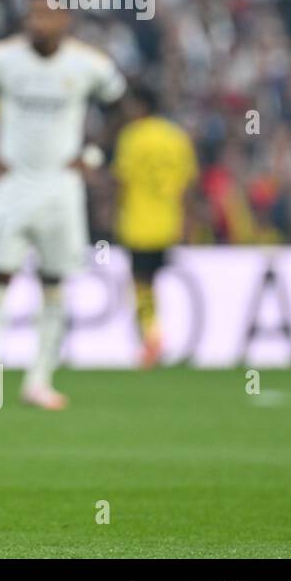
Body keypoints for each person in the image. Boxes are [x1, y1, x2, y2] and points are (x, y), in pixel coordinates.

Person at [0, 0, 125, 409]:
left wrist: (93, 155)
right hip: (13, 187)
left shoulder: (88, 64)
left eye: (46, 15)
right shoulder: (3, 58)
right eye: (32, 14)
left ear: (65, 19)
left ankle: (40, 380)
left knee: (54, 283)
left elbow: (120, 103)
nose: (37, 23)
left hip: (61, 189)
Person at [111, 84, 198, 368]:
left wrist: (113, 215)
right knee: (154, 282)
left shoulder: (132, 137)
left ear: (140, 106)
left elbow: (121, 182)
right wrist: (186, 222)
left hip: (139, 223)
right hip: (169, 222)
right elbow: (187, 184)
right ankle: (154, 336)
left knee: (141, 283)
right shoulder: (176, 137)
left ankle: (152, 337)